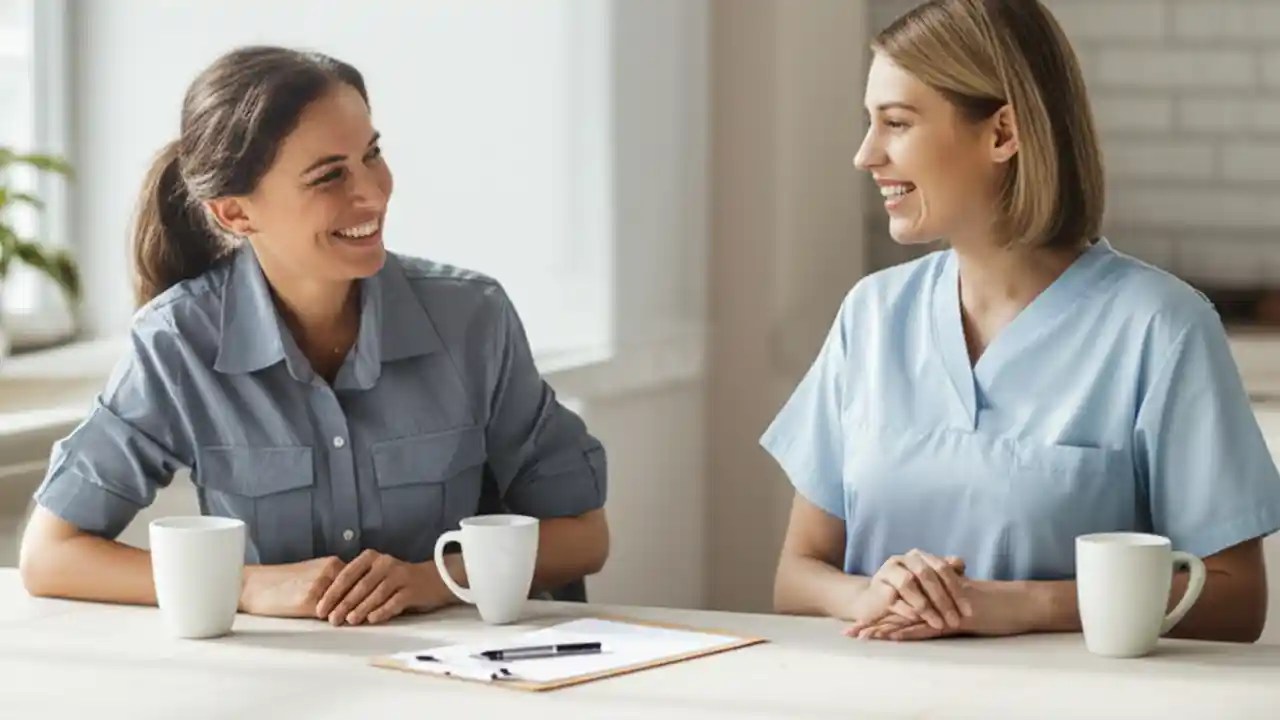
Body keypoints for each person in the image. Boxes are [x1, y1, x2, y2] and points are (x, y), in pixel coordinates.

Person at [19, 46, 609, 626]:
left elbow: (584, 537)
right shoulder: (179, 343)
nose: (372, 193)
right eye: (329, 175)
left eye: (371, 155)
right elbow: (51, 555)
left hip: (458, 671)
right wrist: (247, 586)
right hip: (287, 677)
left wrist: (430, 581)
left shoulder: (472, 319)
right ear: (235, 214)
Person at [764, 0, 1280, 643]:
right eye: (870, 123)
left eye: (896, 123)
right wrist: (871, 594)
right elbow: (797, 576)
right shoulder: (871, 316)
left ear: (1003, 133)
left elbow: (1235, 600)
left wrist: (1021, 605)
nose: (866, 154)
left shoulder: (1162, 328)